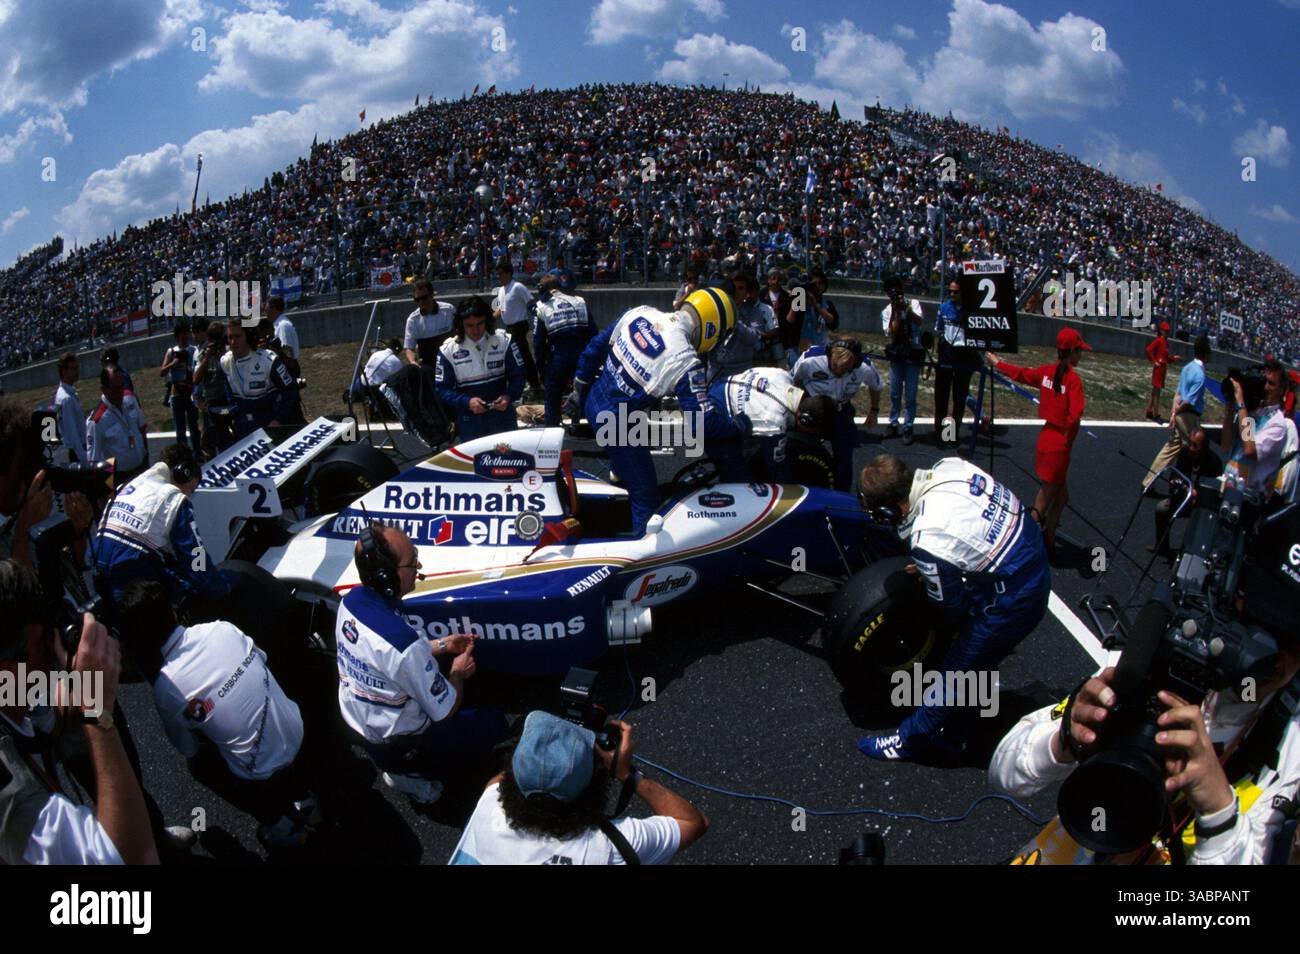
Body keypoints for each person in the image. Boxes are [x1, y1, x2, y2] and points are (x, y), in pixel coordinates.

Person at [989, 643, 1300, 864]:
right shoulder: (1155, 662)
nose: (1278, 658)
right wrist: (1065, 741)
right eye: (1270, 633)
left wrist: (1218, 809)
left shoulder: (1290, 749)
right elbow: (1006, 774)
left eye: (1295, 643)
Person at [856, 455, 1051, 761]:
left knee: (959, 665)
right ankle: (959, 732)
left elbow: (952, 609)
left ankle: (910, 739)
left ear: (891, 508)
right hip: (1027, 549)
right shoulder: (950, 465)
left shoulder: (928, 539)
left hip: (1015, 593)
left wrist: (933, 569)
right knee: (982, 658)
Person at [118, 579, 316, 849]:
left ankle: (280, 823)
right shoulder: (221, 628)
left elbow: (187, 747)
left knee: (199, 766)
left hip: (264, 773)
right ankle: (307, 797)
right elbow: (262, 659)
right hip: (299, 730)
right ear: (173, 612)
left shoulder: (167, 688)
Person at [335, 525, 509, 804]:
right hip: (405, 743)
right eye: (411, 559)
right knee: (496, 724)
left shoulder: (351, 603)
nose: (418, 564)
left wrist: (444, 645)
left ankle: (399, 768)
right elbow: (445, 710)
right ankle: (413, 776)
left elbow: (386, 658)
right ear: (387, 576)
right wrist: (457, 672)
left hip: (364, 726)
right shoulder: (403, 644)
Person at [0, 559, 159, 864]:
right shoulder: (18, 802)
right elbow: (134, 861)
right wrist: (97, 710)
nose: (52, 655)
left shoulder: (10, 693)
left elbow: (40, 720)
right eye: (43, 642)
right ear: (8, 667)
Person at [568, 287, 738, 536]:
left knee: (630, 459)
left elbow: (594, 348)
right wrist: (737, 425)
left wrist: (578, 390)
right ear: (713, 328)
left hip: (594, 400)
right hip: (618, 424)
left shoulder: (640, 312)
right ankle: (641, 558)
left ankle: (618, 485)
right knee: (646, 495)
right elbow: (701, 426)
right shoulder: (686, 360)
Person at [450, 711, 708, 865]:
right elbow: (693, 822)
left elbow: (509, 776)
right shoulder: (609, 847)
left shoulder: (490, 804)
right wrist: (625, 773)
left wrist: (541, 746)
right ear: (592, 789)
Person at [92, 442, 231, 611]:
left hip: (99, 572)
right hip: (132, 579)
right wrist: (220, 587)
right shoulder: (172, 499)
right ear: (183, 473)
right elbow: (195, 558)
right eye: (191, 489)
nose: (188, 494)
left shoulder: (128, 485)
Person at [987, 327, 1090, 554]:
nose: (1081, 355)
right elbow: (1075, 415)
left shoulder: (1046, 372)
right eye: (1079, 351)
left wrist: (998, 363)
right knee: (1041, 504)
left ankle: (1049, 537)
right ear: (1072, 352)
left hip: (1045, 439)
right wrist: (1070, 434)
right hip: (1060, 445)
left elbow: (1021, 373)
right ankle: (1021, 544)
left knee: (1061, 497)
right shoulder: (1073, 380)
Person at [707, 366, 835, 482]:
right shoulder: (773, 423)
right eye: (813, 431)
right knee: (742, 483)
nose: (812, 434)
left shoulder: (782, 375)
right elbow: (777, 468)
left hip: (716, 388)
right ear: (805, 420)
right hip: (712, 421)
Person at [792, 339, 882, 491]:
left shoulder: (864, 367)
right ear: (829, 356)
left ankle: (842, 493)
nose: (839, 372)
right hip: (813, 407)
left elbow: (876, 386)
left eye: (845, 368)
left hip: (840, 409)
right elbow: (791, 380)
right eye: (834, 367)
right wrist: (795, 411)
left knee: (844, 457)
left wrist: (874, 411)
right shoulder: (809, 360)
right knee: (801, 449)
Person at [436, 296, 526, 441]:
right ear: (460, 325)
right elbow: (442, 389)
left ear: (487, 321)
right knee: (475, 463)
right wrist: (467, 402)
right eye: (469, 325)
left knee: (510, 460)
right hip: (470, 420)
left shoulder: (504, 340)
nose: (476, 330)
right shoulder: (448, 350)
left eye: (480, 323)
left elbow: (519, 375)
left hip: (502, 414)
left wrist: (509, 395)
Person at [1143, 334, 1210, 493]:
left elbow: (1178, 394)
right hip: (1189, 416)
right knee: (1196, 451)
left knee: (1169, 450)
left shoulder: (1187, 367)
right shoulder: (1200, 375)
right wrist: (1177, 413)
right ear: (1206, 353)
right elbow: (1188, 401)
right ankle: (1185, 487)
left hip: (1179, 414)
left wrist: (1173, 414)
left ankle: (1148, 482)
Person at [1223, 358, 1297, 495]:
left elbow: (1249, 450)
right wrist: (1229, 406)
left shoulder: (1277, 423)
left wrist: (1241, 405)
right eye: (1265, 381)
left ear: (1281, 390)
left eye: (1271, 384)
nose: (1266, 387)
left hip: (1248, 496)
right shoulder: (1251, 412)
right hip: (1229, 484)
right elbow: (1226, 446)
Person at [532, 274, 596, 427]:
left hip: (558, 358)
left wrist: (541, 370)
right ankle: (594, 427)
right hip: (582, 356)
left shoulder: (541, 307)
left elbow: (538, 344)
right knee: (587, 392)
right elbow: (594, 333)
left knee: (552, 395)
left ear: (542, 289)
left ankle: (552, 430)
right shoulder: (580, 301)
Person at [1147, 427, 1223, 557]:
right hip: (1184, 498)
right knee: (1161, 509)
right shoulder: (1184, 453)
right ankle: (1161, 547)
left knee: (1198, 523)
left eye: (1195, 445)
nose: (1191, 448)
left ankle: (1194, 552)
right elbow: (1175, 475)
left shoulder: (1214, 463)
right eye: (1189, 443)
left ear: (1204, 447)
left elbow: (1214, 492)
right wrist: (1174, 484)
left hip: (1204, 505)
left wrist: (1197, 493)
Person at [220, 319, 302, 437]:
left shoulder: (268, 360)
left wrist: (279, 420)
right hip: (244, 429)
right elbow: (229, 394)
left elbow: (290, 390)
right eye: (230, 337)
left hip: (270, 425)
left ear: (248, 336)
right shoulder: (225, 362)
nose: (233, 342)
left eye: (237, 337)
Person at [708, 271, 778, 381]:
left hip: (741, 372)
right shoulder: (716, 311)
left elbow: (756, 341)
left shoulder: (755, 313)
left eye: (741, 288)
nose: (736, 292)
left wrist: (733, 319)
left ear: (746, 293)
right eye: (734, 287)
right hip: (715, 370)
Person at [933, 280, 979, 447]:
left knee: (959, 398)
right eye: (950, 291)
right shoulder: (944, 307)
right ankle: (939, 433)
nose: (952, 294)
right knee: (941, 397)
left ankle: (951, 434)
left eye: (956, 292)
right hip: (946, 353)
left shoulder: (971, 310)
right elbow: (939, 329)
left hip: (964, 355)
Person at [881, 275, 925, 445]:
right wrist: (896, 313)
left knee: (911, 393)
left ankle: (908, 426)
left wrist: (906, 310)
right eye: (891, 291)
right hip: (897, 354)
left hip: (913, 353)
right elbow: (891, 332)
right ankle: (893, 422)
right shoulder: (886, 311)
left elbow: (919, 321)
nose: (895, 293)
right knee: (894, 392)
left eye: (897, 289)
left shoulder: (913, 303)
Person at [86, 364, 149, 484]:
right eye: (115, 389)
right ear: (103, 389)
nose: (120, 393)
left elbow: (142, 428)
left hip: (141, 469)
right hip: (120, 478)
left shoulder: (130, 398)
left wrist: (146, 457)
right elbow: (93, 461)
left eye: (122, 386)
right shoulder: (96, 421)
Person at [492, 258, 541, 394]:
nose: (498, 276)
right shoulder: (501, 290)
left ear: (508, 273)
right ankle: (522, 382)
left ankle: (534, 384)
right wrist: (489, 319)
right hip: (509, 328)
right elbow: (501, 309)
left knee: (524, 356)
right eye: (497, 274)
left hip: (519, 327)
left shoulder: (518, 287)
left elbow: (531, 302)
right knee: (514, 357)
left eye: (500, 273)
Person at [192, 320, 233, 456]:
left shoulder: (230, 353)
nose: (217, 341)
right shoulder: (204, 355)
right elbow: (196, 379)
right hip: (213, 404)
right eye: (213, 337)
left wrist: (222, 354)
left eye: (219, 337)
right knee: (213, 442)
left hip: (231, 401)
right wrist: (208, 357)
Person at [160, 321, 200, 454]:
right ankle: (183, 454)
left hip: (191, 391)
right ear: (177, 336)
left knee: (194, 426)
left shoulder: (194, 350)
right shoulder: (172, 351)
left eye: (187, 334)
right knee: (180, 428)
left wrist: (188, 367)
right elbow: (162, 372)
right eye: (182, 335)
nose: (186, 337)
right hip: (177, 393)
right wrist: (173, 363)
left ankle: (197, 451)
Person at [403, 278, 456, 366]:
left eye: (424, 298)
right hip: (428, 365)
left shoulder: (449, 310)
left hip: (451, 362)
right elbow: (409, 348)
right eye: (417, 299)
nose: (421, 302)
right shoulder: (413, 320)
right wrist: (412, 361)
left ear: (432, 295)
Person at [52, 352, 88, 464]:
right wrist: (85, 461)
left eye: (78, 367)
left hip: (79, 450)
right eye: (74, 368)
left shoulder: (69, 393)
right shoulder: (66, 399)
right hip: (78, 453)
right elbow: (73, 436)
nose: (77, 371)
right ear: (63, 371)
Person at [794, 267, 840, 355]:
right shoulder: (800, 302)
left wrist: (816, 306)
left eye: (820, 283)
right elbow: (792, 321)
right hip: (802, 349)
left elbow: (833, 323)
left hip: (821, 349)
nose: (818, 287)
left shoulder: (827, 304)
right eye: (814, 284)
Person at [1144, 322, 1180, 423]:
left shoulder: (1166, 343)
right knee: (1157, 392)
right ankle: (1156, 414)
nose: (1167, 332)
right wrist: (1154, 361)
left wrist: (1173, 358)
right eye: (1166, 331)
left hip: (1163, 367)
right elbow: (1149, 350)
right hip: (1159, 367)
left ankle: (1149, 411)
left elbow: (1167, 358)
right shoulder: (1159, 341)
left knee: (1155, 391)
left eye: (1168, 331)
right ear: (1161, 331)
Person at [763, 268, 795, 368]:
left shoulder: (787, 297)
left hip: (782, 338)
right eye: (773, 278)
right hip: (765, 337)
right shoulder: (761, 295)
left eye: (779, 279)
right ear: (768, 280)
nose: (776, 281)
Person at [267, 296, 300, 376]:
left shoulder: (283, 325)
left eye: (266, 307)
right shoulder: (278, 324)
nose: (265, 310)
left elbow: (287, 349)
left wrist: (287, 369)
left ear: (273, 308)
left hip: (287, 369)